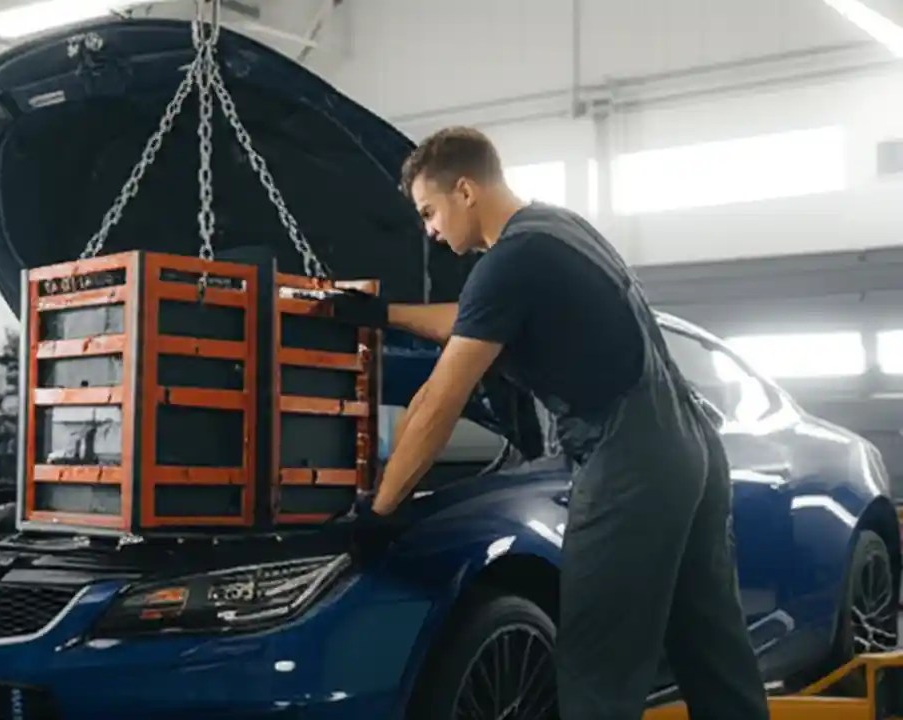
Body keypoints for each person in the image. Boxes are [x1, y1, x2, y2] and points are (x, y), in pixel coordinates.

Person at [326, 127, 770, 720]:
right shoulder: (557, 230)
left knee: (595, 666)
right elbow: (474, 318)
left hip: (631, 458)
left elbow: (439, 397)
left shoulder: (509, 262)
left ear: (464, 190)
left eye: (429, 212)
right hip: (691, 448)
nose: (429, 230)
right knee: (712, 653)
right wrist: (385, 315)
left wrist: (381, 508)